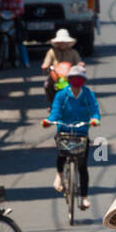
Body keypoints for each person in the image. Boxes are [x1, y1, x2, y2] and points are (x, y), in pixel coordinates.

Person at [44, 64, 100, 209]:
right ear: (69, 80)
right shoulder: (61, 95)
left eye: (79, 79)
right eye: (74, 79)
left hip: (81, 131)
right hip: (64, 130)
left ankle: (84, 198)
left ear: (83, 81)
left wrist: (95, 119)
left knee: (82, 166)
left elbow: (94, 109)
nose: (76, 82)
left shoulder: (88, 94)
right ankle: (59, 175)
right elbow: (55, 111)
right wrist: (50, 121)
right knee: (62, 154)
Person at [40, 28, 82, 103]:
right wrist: (45, 65)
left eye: (64, 42)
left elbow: (79, 62)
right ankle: (52, 102)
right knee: (47, 85)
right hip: (56, 75)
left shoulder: (73, 52)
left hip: (70, 75)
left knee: (79, 86)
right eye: (60, 42)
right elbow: (47, 61)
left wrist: (80, 64)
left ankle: (77, 102)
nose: (62, 43)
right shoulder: (51, 52)